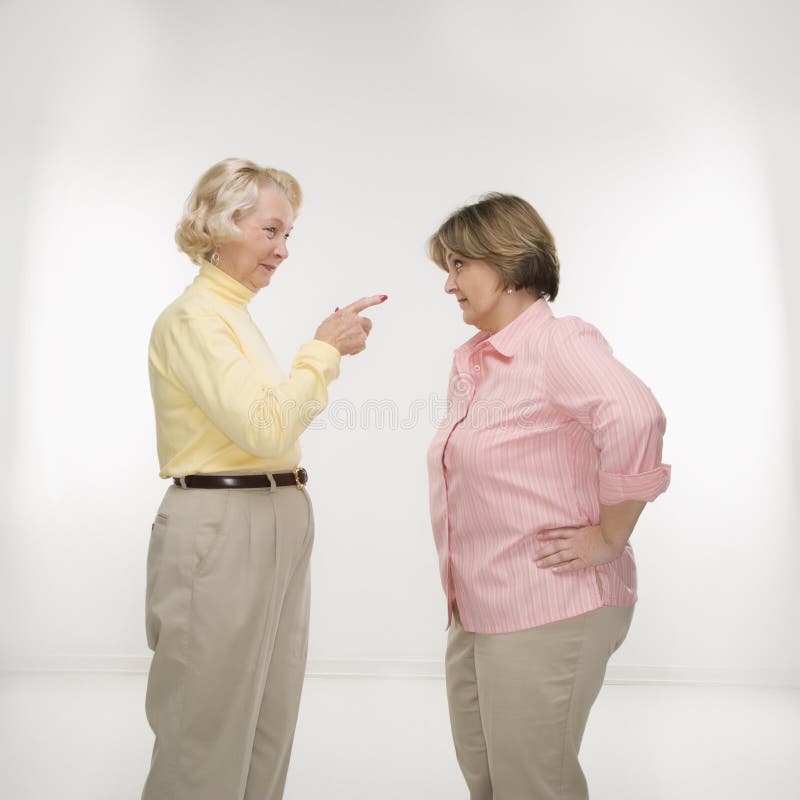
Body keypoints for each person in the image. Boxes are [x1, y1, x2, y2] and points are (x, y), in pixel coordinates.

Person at [143, 157, 386, 800]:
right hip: (222, 526)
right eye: (271, 231)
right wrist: (325, 349)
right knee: (207, 728)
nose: (282, 250)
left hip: (272, 517)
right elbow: (267, 428)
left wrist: (323, 352)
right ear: (220, 224)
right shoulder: (196, 319)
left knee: (267, 724)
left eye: (288, 236)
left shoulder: (236, 316)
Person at [426, 193, 670, 799]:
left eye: (459, 266)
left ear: (506, 263)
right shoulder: (483, 362)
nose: (449, 285)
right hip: (483, 607)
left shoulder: (557, 343)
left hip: (550, 606)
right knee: (488, 777)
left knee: (534, 786)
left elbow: (636, 415)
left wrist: (611, 535)